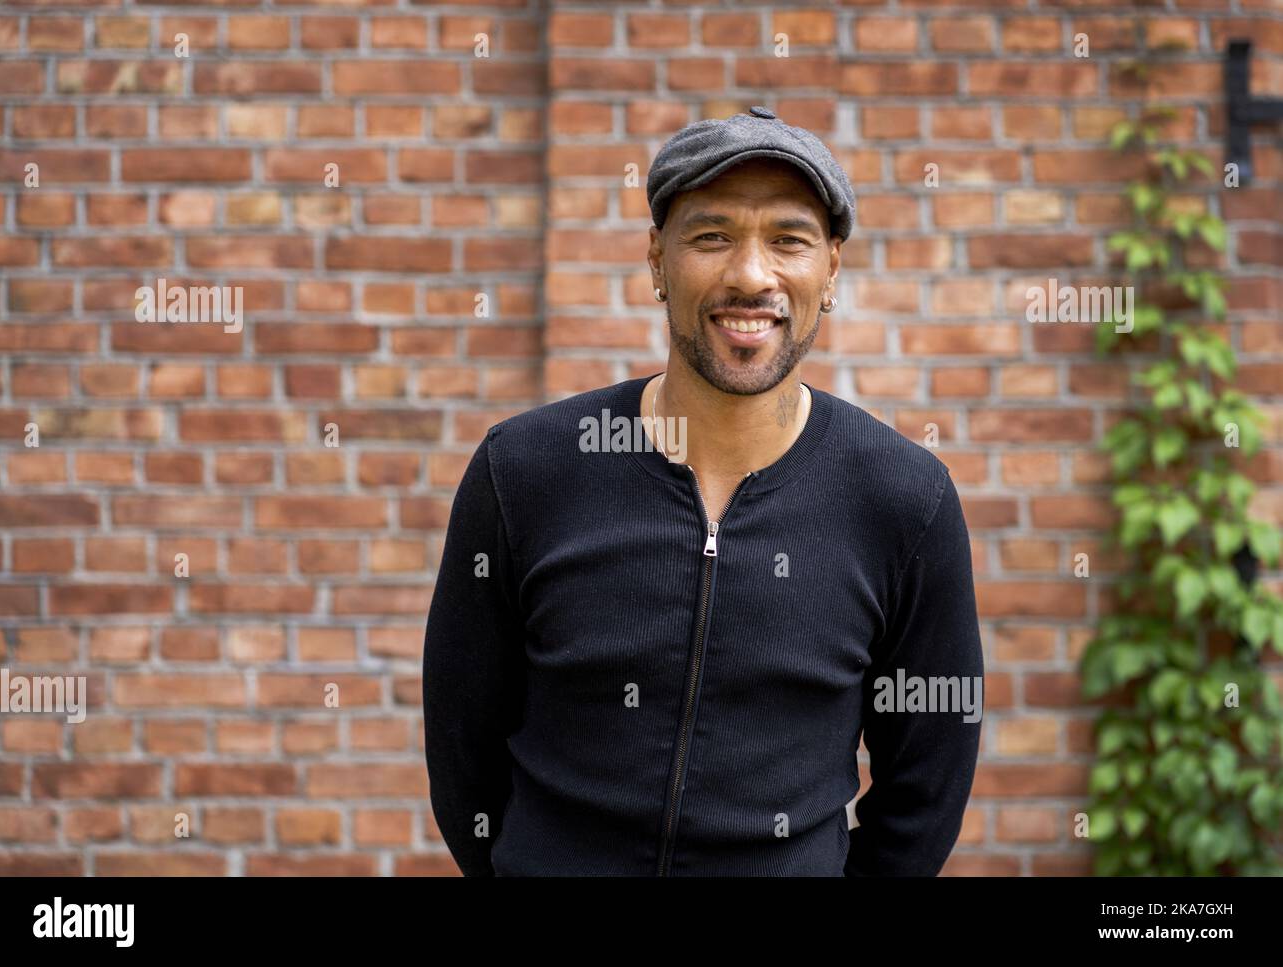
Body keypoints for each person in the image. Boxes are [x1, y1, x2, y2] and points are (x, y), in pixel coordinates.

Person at [422, 106, 984, 876]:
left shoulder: (905, 501)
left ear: (831, 269)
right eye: (712, 236)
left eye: (788, 239)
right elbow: (464, 752)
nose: (751, 276)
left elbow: (926, 789)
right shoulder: (524, 470)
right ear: (657, 260)